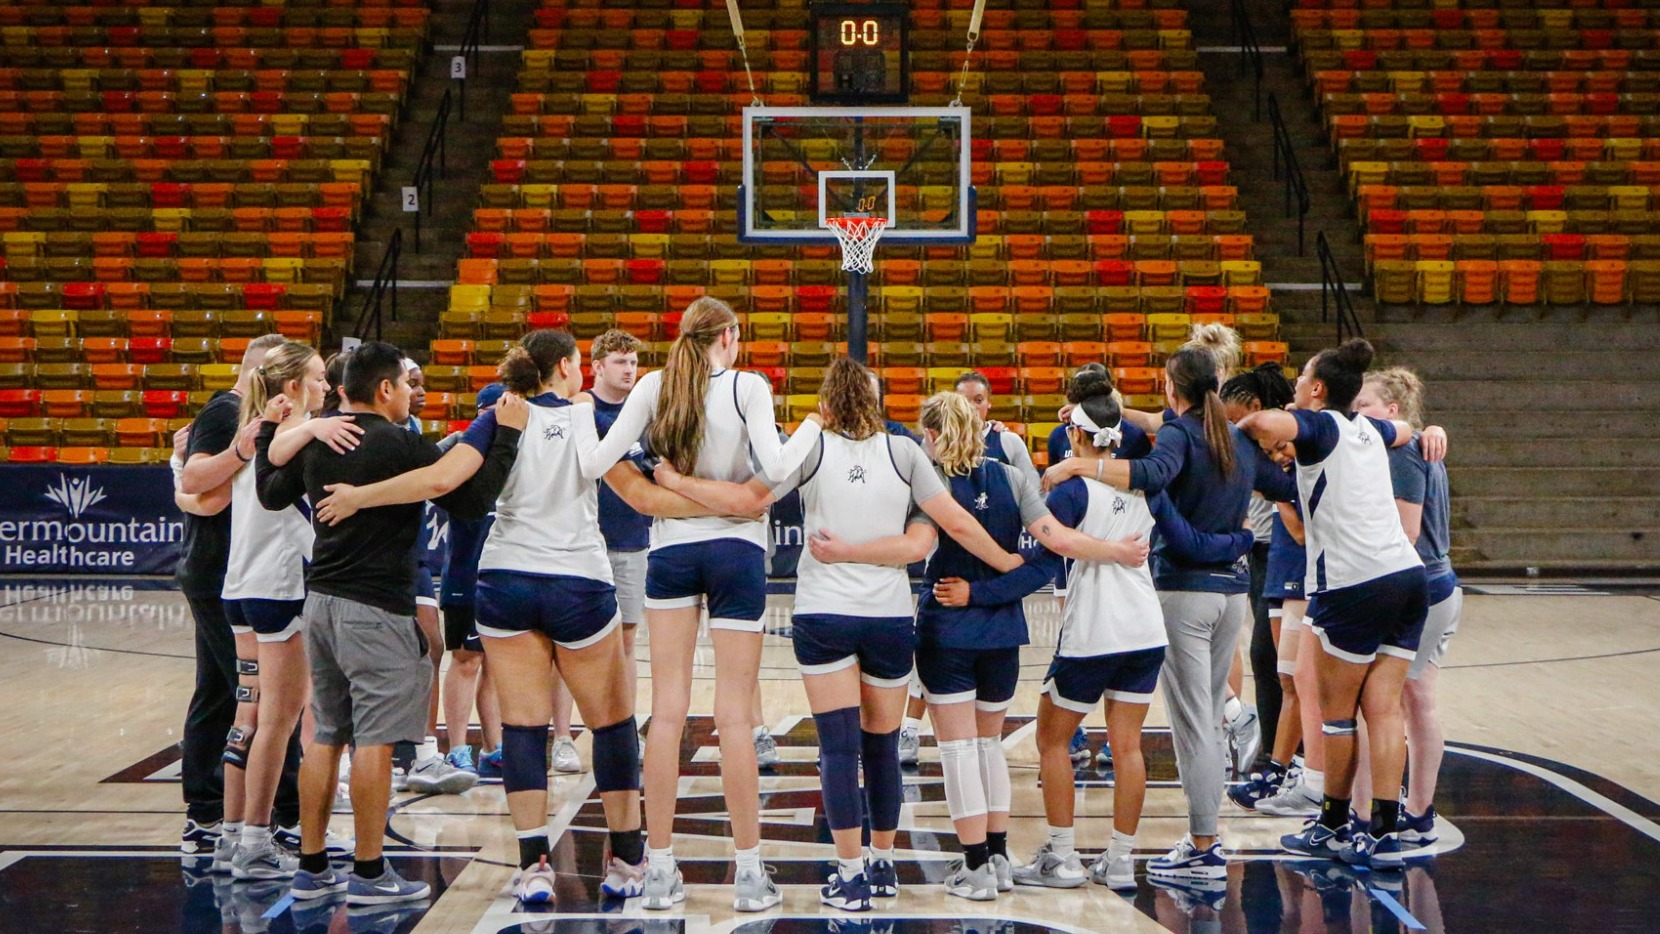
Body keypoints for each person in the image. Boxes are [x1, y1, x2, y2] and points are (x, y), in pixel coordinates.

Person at [313, 330, 743, 905]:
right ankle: (627, 861)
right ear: (566, 367)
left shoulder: (497, 417)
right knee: (613, 724)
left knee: (522, 728)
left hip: (505, 580)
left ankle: (533, 864)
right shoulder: (591, 420)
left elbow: (440, 480)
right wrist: (724, 506)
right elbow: (643, 498)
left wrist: (360, 496)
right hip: (578, 581)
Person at [649, 361, 1029, 912]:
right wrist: (1009, 566)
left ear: (826, 403)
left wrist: (675, 483)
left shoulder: (810, 450)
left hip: (823, 614)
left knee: (838, 747)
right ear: (877, 404)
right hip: (889, 618)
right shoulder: (905, 453)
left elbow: (747, 500)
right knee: (880, 748)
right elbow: (940, 533)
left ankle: (849, 876)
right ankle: (882, 866)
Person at [254, 340, 526, 906]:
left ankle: (310, 870)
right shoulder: (400, 443)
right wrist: (504, 438)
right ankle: (371, 872)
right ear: (384, 389)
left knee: (327, 736)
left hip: (321, 604)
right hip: (376, 609)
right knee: (374, 743)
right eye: (405, 384)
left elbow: (270, 492)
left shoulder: (321, 437)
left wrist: (273, 434)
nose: (410, 393)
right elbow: (470, 500)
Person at [579, 297, 824, 912]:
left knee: (665, 715)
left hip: (672, 553)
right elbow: (773, 469)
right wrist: (814, 430)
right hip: (737, 554)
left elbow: (593, 463)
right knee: (735, 717)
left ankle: (658, 871)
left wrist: (660, 480)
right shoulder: (748, 386)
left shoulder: (655, 386)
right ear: (731, 337)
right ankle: (748, 874)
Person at [1043, 345, 1295, 882]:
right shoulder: (1236, 435)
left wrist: (1079, 463)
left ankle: (1204, 847)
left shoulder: (1181, 436)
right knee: (1204, 716)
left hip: (1187, 592)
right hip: (1232, 593)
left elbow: (1154, 474)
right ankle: (1208, 815)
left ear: (1169, 386)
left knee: (1194, 725)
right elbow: (1289, 486)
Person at [1011, 374, 1252, 894]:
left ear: (1073, 437)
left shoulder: (1072, 490)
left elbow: (1043, 553)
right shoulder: (1146, 486)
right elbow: (1188, 539)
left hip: (1094, 631)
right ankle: (1120, 860)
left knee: (1051, 739)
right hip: (1144, 629)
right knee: (1128, 747)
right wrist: (1241, 539)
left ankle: (1062, 856)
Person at [1236, 339, 1447, 869]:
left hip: (1352, 584)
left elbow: (1267, 427)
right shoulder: (1369, 429)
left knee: (1336, 717)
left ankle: (1331, 823)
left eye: (1303, 379)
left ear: (1318, 389)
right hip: (1407, 577)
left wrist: (1239, 427)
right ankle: (1382, 832)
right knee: (1381, 711)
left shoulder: (1323, 425)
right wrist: (1432, 432)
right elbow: (1405, 431)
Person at [221, 341, 360, 880]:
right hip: (278, 589)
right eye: (320, 378)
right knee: (278, 722)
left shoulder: (252, 430)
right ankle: (255, 840)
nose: (328, 387)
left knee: (252, 717)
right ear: (293, 386)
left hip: (240, 586)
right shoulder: (292, 437)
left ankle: (232, 836)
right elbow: (305, 524)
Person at [174, 333, 296, 861]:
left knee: (223, 694)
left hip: (232, 573)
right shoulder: (229, 413)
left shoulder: (258, 419)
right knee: (260, 700)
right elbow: (201, 485)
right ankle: (267, 819)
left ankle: (208, 817)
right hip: (226, 572)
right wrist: (242, 452)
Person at [1354, 367, 1461, 856]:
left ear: (1391, 412)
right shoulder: (1422, 443)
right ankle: (1418, 812)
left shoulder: (1399, 453)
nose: (1357, 415)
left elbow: (1406, 533)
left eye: (1365, 407)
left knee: (1383, 704)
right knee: (1419, 698)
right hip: (1442, 585)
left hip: (1418, 585)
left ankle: (1371, 814)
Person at [1044, 363, 1153, 768]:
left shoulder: (1134, 437)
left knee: (1050, 738)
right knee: (1129, 749)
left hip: (1101, 571)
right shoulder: (1062, 436)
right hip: (1130, 594)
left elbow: (1053, 520)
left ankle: (1062, 834)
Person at [399, 358, 476, 796]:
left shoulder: (411, 429)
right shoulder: (380, 433)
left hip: (416, 561)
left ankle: (423, 751)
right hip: (384, 560)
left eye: (423, 383)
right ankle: (388, 750)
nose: (421, 391)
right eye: (412, 384)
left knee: (430, 647)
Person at [439, 383, 507, 777]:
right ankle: (458, 748)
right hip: (465, 574)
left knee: (498, 665)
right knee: (466, 660)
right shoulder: (460, 455)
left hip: (502, 575)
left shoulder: (512, 456)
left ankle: (494, 748)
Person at [589, 330, 652, 754]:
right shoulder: (578, 410)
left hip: (632, 537)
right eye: (619, 362)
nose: (629, 370)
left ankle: (625, 729)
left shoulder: (648, 413)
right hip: (582, 541)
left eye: (632, 363)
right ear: (596, 366)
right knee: (573, 640)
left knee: (626, 640)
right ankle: (561, 735)